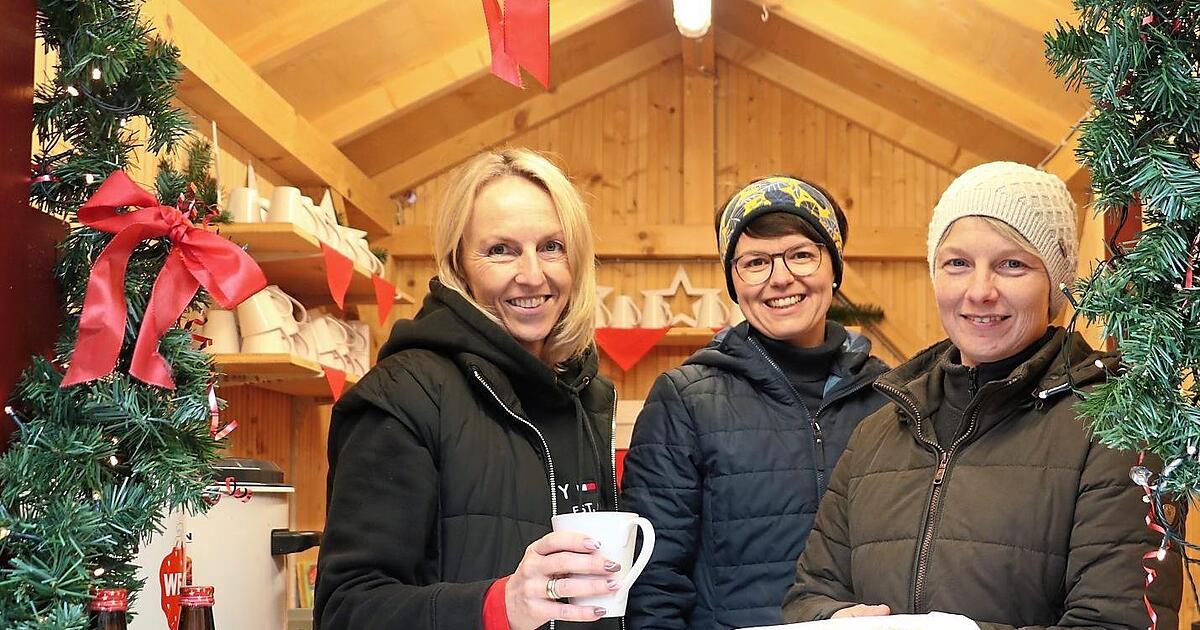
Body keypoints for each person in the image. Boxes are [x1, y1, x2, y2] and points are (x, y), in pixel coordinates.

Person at [782, 161, 1183, 628]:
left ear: (1054, 284)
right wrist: (834, 617)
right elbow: (808, 597)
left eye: (1012, 264)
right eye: (957, 263)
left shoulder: (1114, 429)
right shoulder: (877, 434)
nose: (979, 291)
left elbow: (1119, 622)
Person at [314, 149, 623, 630]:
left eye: (551, 246)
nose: (532, 274)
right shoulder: (403, 395)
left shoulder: (588, 397)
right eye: (500, 250)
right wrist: (499, 606)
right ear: (459, 263)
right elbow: (347, 610)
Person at [621, 176, 892, 630]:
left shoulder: (890, 397)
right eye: (756, 261)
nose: (780, 277)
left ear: (834, 267)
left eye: (802, 254)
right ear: (734, 279)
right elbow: (653, 580)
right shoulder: (686, 400)